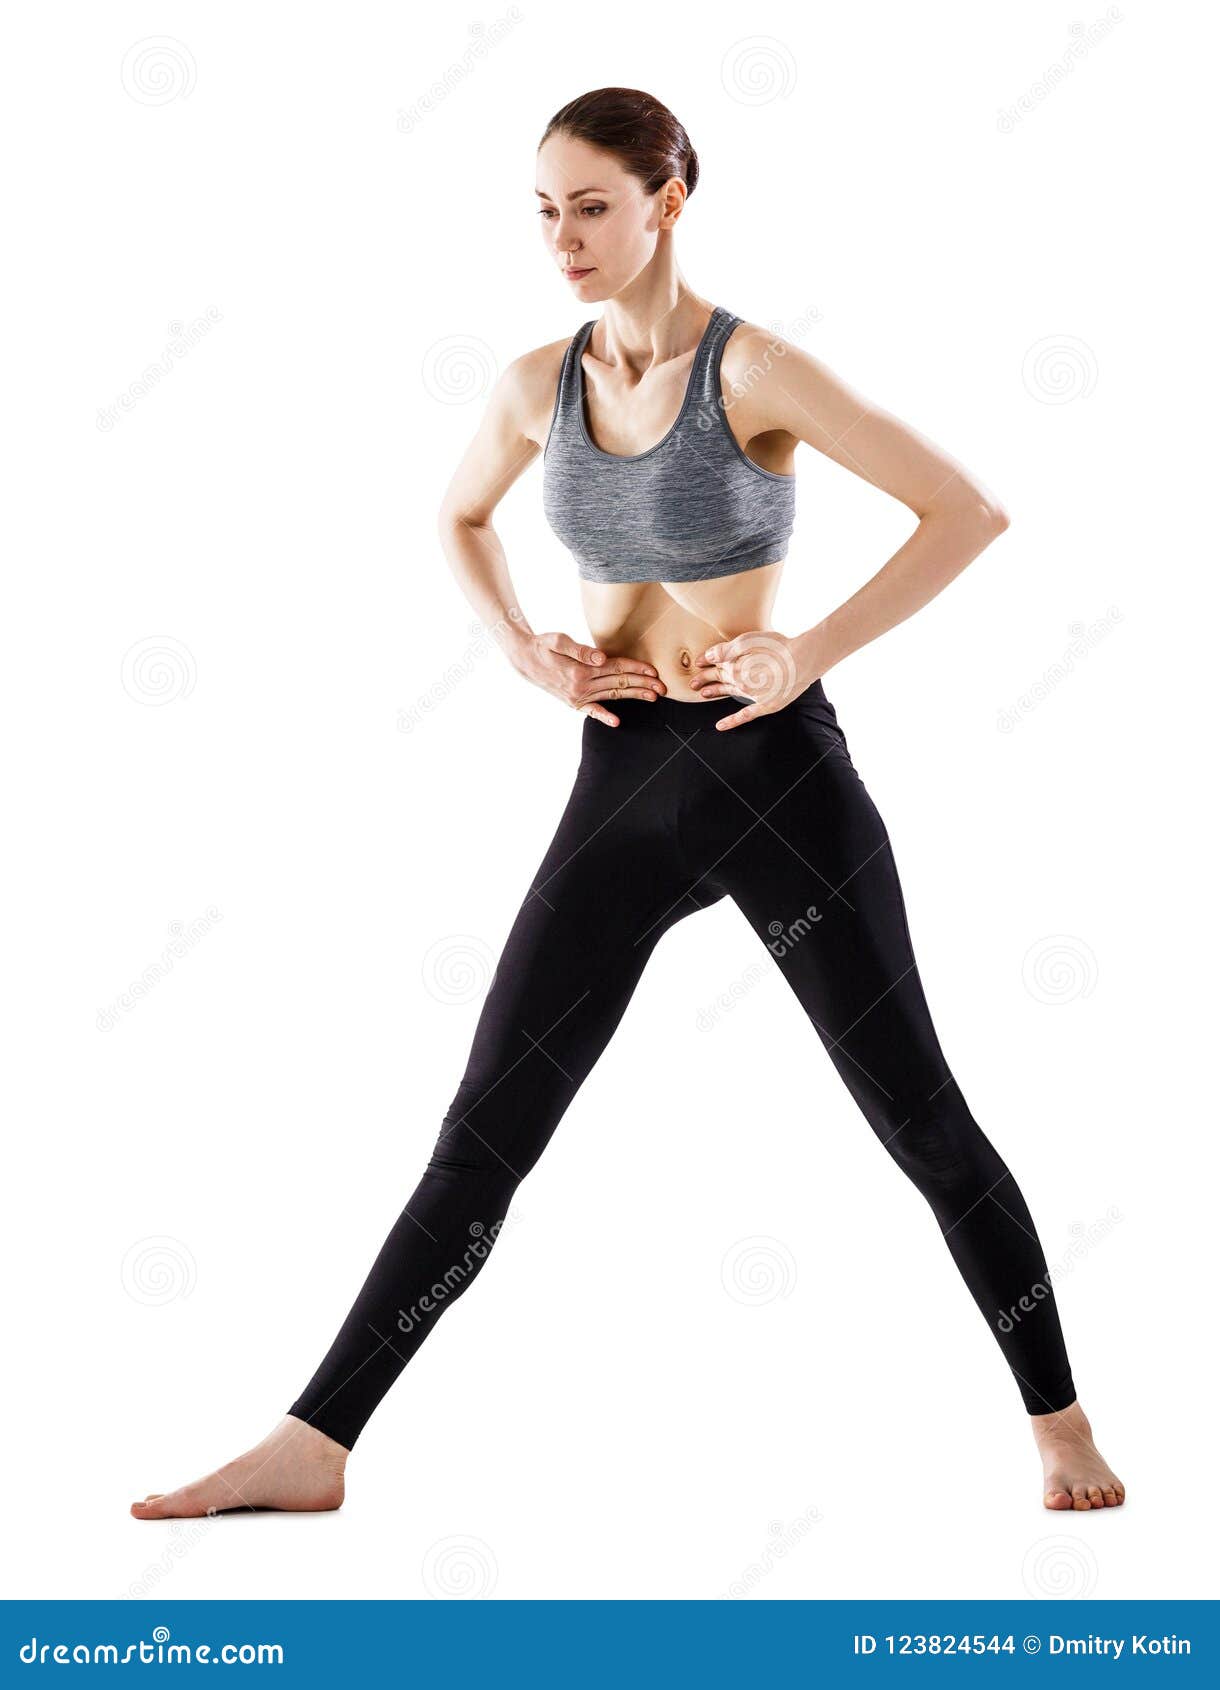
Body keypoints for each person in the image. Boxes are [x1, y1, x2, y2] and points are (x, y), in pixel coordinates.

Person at [132, 87, 1124, 1521]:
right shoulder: (538, 383)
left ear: (669, 199)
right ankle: (315, 1442)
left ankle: (1062, 1424)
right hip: (620, 777)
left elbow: (966, 508)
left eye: (592, 206)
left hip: (770, 777)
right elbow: (456, 517)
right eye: (545, 209)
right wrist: (522, 642)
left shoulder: (757, 368)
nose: (564, 237)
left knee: (918, 1115)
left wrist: (808, 649)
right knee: (487, 1128)